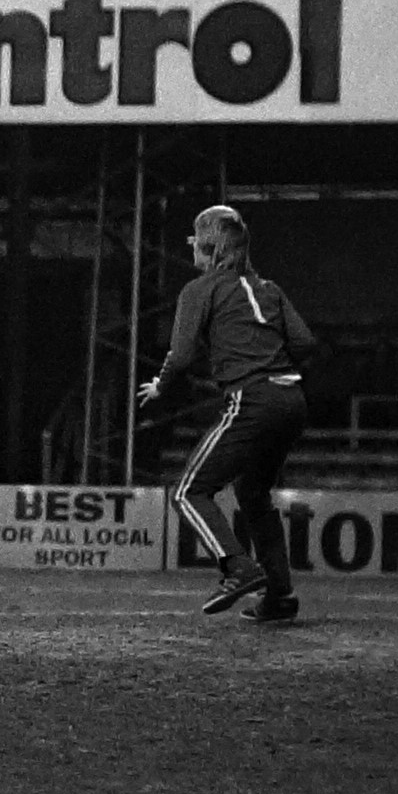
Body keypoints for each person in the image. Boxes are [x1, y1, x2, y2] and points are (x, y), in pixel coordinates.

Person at [139, 204, 315, 623]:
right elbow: (305, 342)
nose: (193, 254)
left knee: (188, 492)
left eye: (196, 246)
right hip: (291, 400)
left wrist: (162, 384)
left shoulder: (200, 290)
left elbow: (180, 354)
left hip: (252, 398)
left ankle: (238, 568)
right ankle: (280, 595)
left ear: (209, 248)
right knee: (253, 495)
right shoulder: (269, 288)